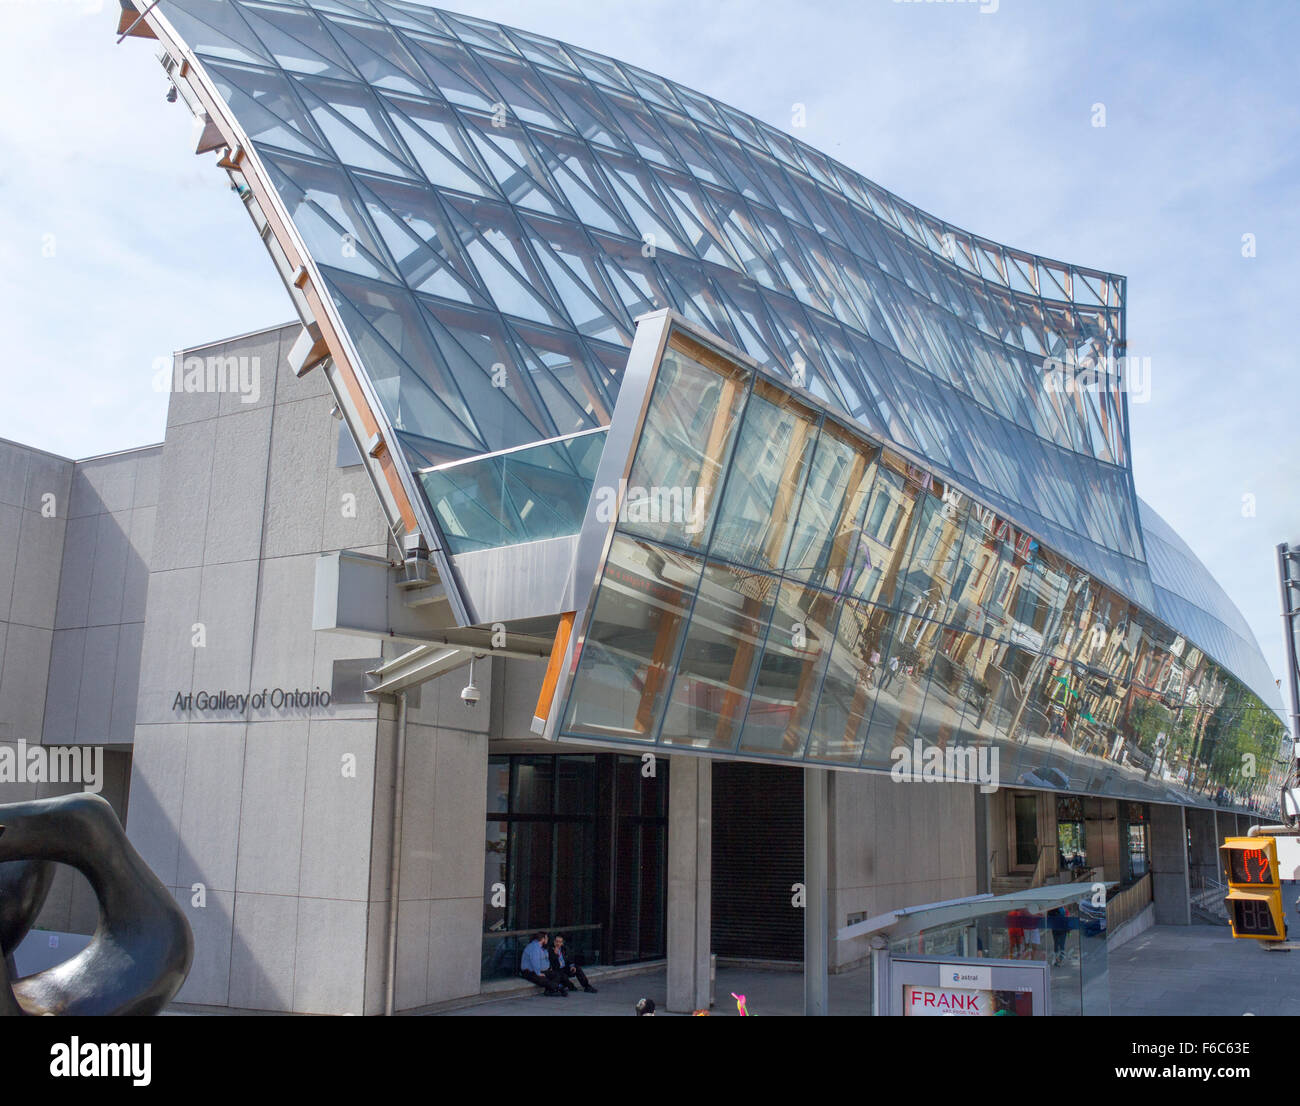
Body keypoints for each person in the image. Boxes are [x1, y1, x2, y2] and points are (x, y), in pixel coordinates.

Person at [520, 931, 565, 996]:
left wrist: (548, 969)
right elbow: (535, 962)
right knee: (543, 979)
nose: (548, 940)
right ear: (543, 939)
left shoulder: (541, 947)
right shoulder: (534, 947)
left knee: (556, 975)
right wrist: (538, 973)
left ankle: (549, 991)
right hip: (529, 971)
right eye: (546, 938)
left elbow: (544, 959)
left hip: (540, 970)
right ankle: (558, 987)